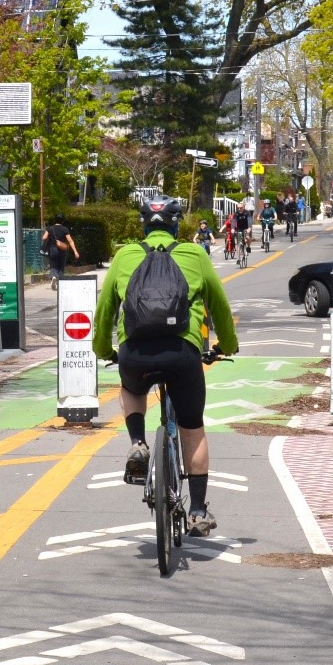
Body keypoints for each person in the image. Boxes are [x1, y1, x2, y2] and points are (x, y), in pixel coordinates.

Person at [92, 197, 238, 537]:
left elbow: (105, 310)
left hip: (135, 352)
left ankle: (138, 443)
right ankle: (198, 511)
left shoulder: (125, 255)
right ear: (177, 225)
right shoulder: (195, 254)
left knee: (131, 387)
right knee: (192, 428)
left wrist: (104, 350)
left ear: (143, 225)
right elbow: (219, 305)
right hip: (182, 352)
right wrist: (226, 346)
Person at [40, 215, 80, 289]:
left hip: (52, 249)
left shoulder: (50, 228)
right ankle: (60, 282)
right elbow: (70, 241)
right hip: (62, 249)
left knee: (53, 265)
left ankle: (54, 276)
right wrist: (75, 252)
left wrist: (51, 238)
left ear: (55, 220)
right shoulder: (65, 229)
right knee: (61, 266)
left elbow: (44, 237)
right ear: (63, 221)